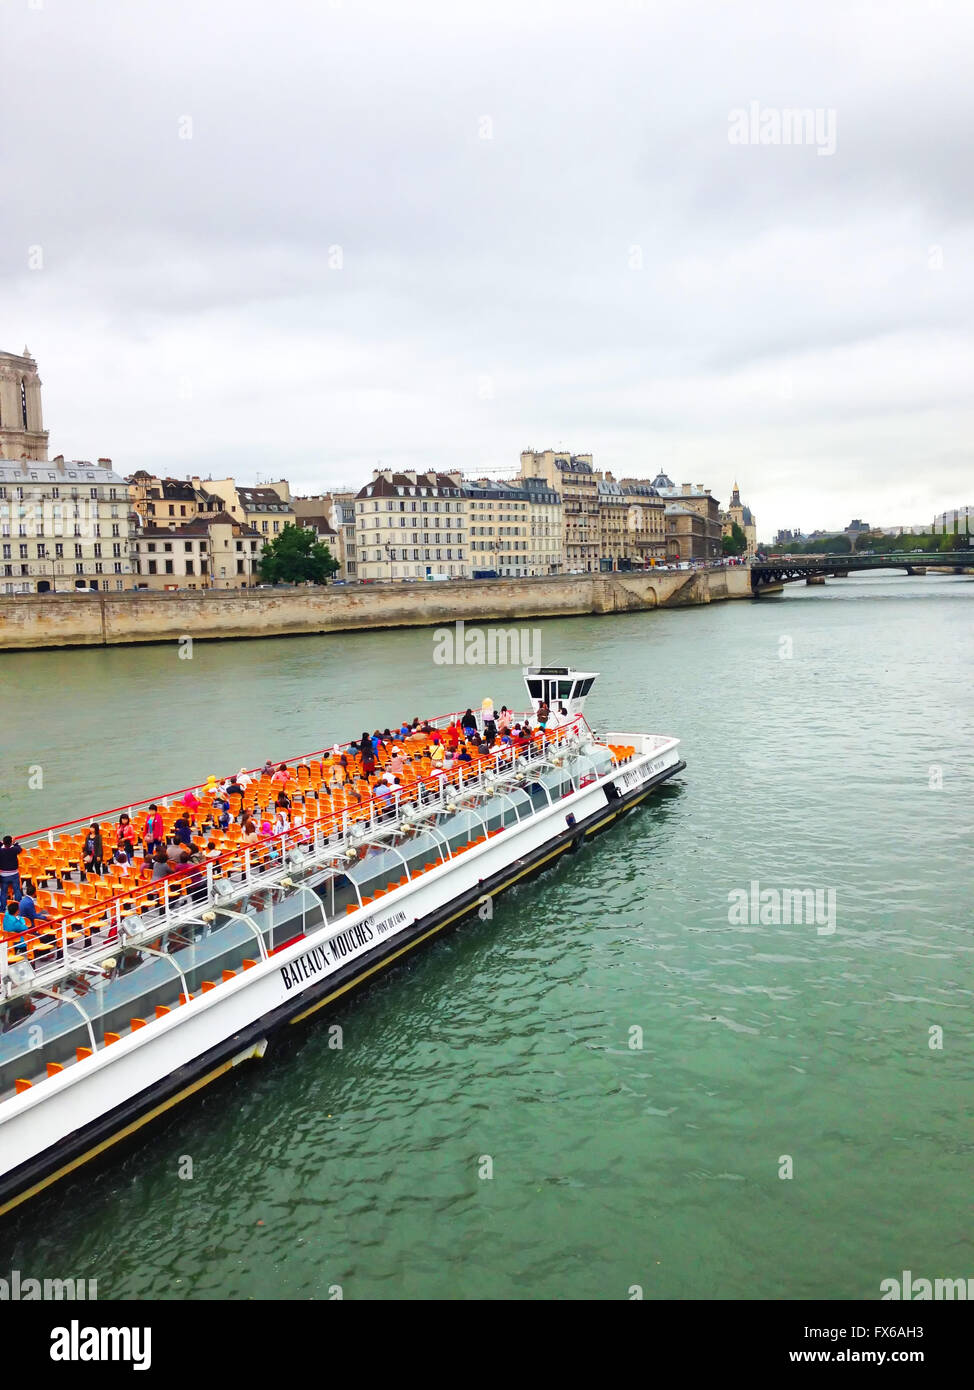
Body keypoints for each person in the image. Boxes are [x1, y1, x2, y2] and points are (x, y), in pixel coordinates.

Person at [0, 835, 24, 906]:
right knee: (17, 891)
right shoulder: (14, 849)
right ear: (11, 843)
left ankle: (3, 908)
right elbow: (20, 849)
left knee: (3, 892)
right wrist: (15, 842)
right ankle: (19, 906)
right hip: (14, 874)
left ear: (3, 843)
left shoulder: (0, 850)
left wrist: (3, 843)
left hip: (3, 875)